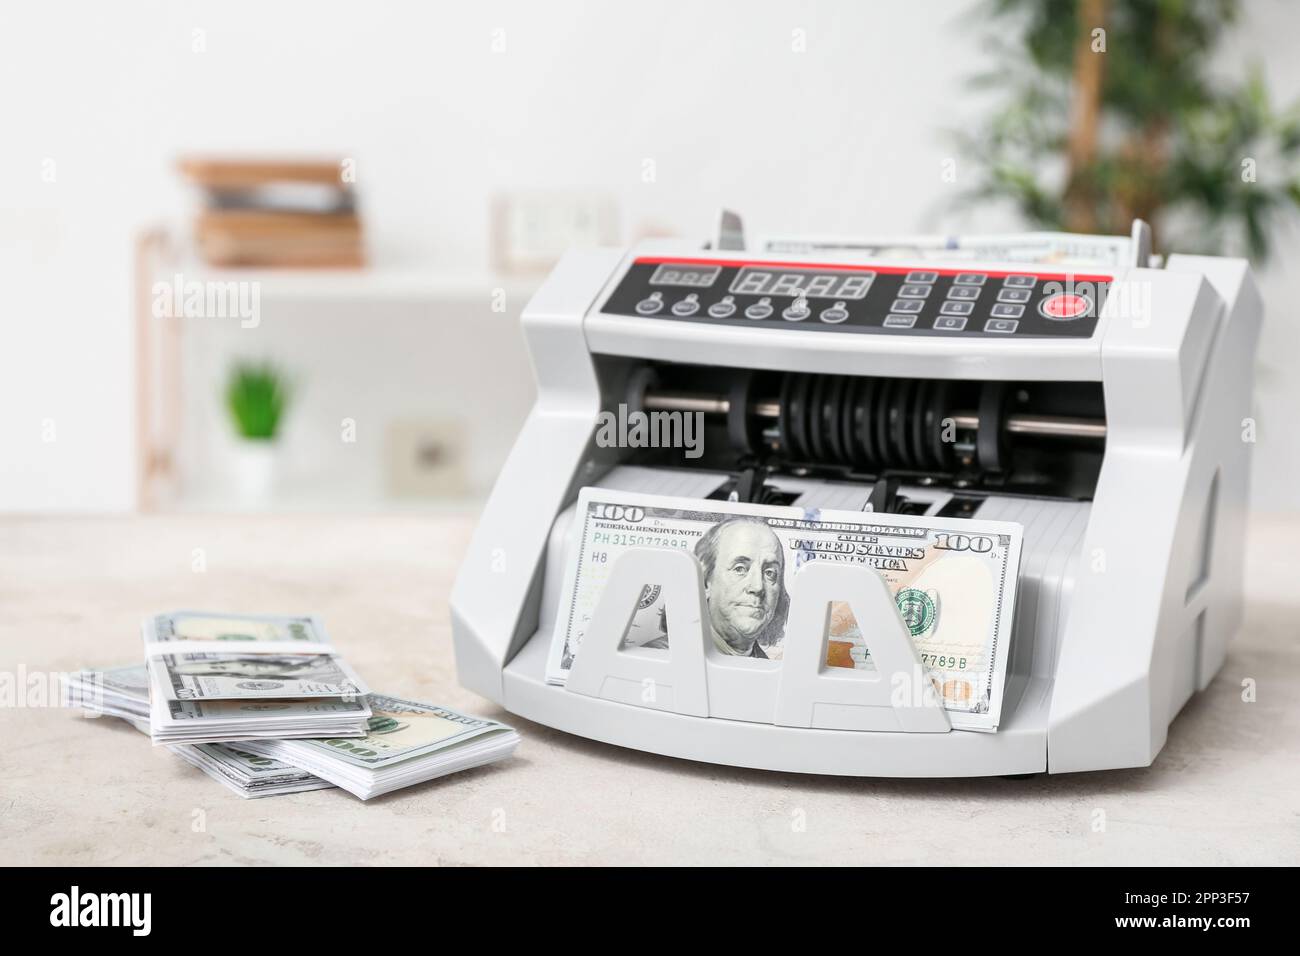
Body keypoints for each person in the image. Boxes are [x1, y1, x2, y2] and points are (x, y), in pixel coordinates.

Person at [693, 517, 789, 658]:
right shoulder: (662, 654)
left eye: (770, 573)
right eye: (740, 569)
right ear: (706, 581)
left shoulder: (772, 667)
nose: (758, 587)